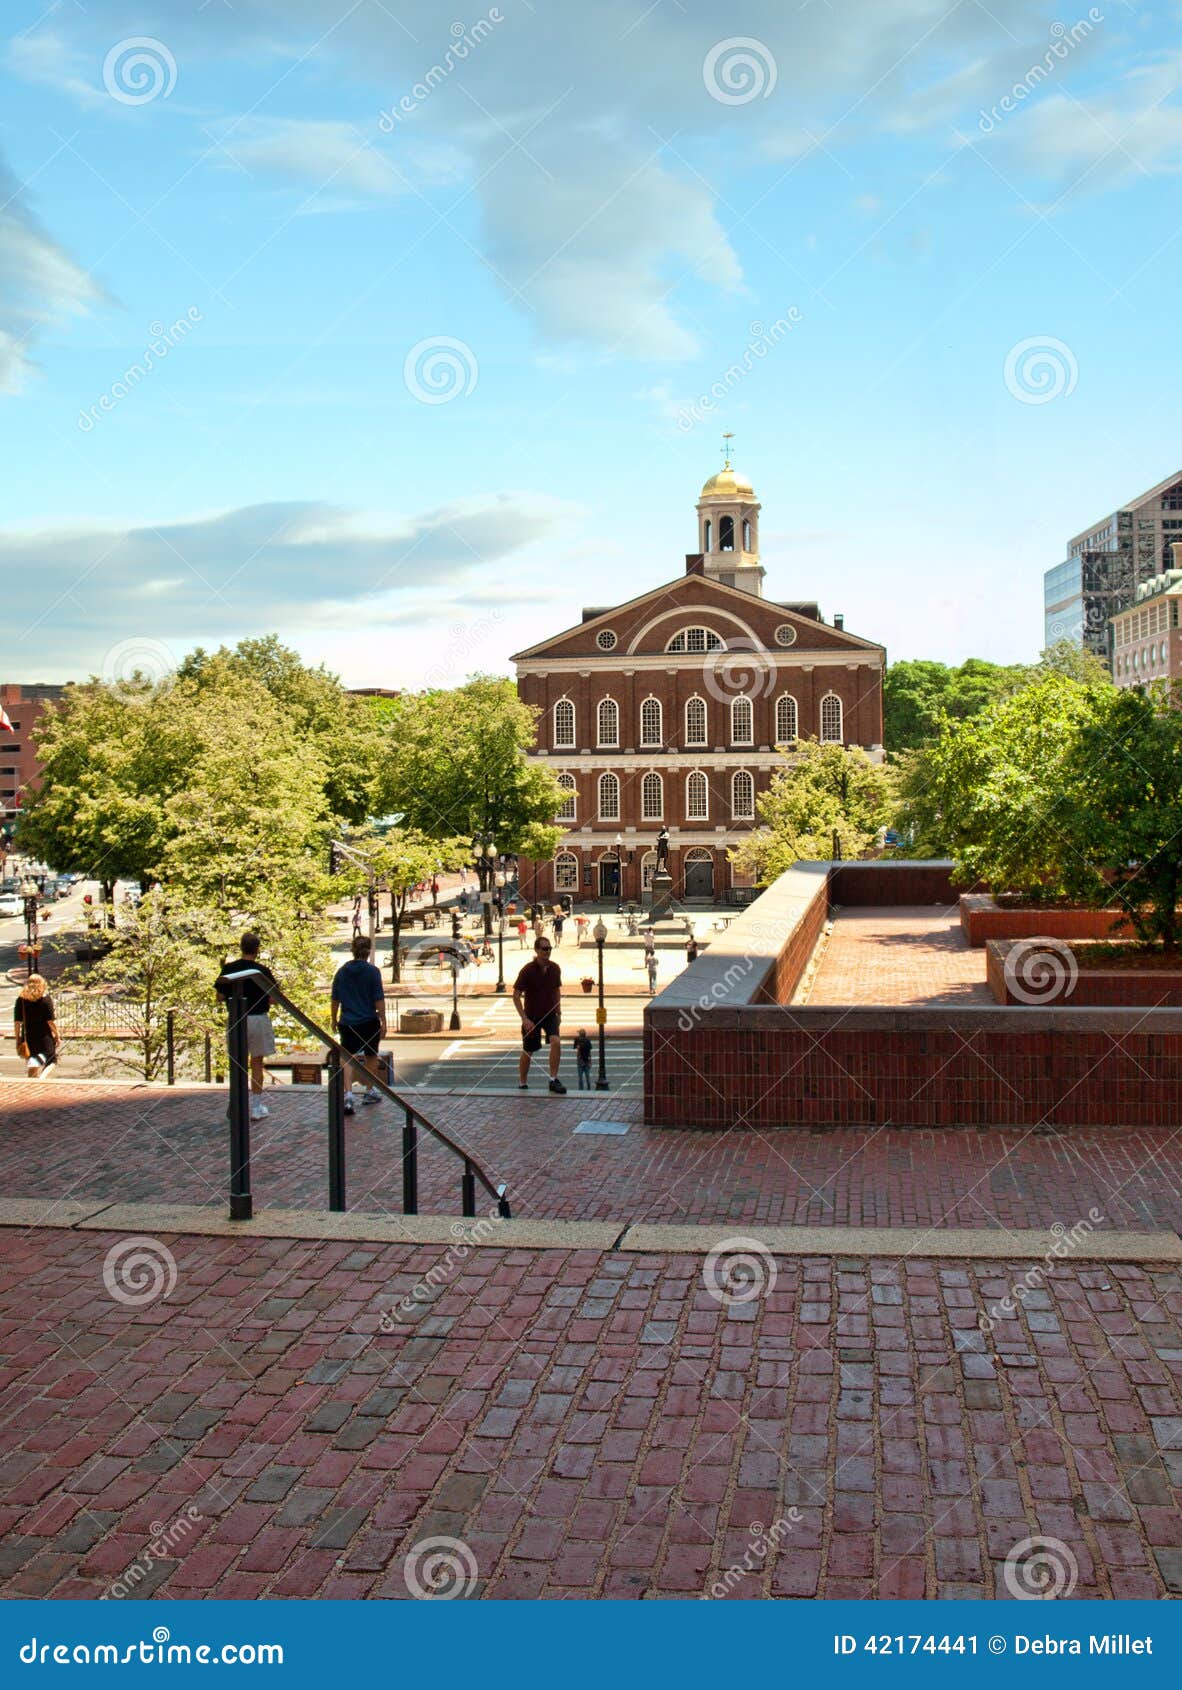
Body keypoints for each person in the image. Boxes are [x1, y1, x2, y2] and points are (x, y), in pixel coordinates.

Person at [216, 934, 277, 1122]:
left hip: (236, 1019)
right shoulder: (262, 972)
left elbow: (219, 997)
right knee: (257, 1063)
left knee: (237, 1064)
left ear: (241, 947)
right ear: (257, 949)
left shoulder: (229, 970)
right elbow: (274, 998)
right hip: (258, 1018)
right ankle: (256, 1106)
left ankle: (236, 1105)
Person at [330, 933, 388, 1116]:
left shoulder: (342, 971)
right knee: (371, 1056)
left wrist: (334, 1018)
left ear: (352, 951)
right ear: (368, 951)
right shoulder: (373, 972)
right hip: (368, 1020)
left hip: (347, 1021)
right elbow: (378, 999)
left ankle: (348, 1094)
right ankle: (369, 1090)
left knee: (347, 1058)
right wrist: (384, 1021)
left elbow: (335, 999)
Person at [513, 936, 566, 1094]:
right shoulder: (527, 970)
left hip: (550, 1014)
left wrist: (559, 1012)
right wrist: (524, 1019)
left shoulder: (555, 968)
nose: (547, 951)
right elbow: (516, 996)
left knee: (556, 1041)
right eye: (544, 949)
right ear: (537, 950)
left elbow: (557, 991)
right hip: (532, 1016)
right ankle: (523, 1082)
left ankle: (553, 1079)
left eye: (549, 948)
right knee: (528, 1050)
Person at [14, 974, 58, 1079]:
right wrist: (57, 1035)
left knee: (32, 1061)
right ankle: (41, 1079)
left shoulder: (21, 1000)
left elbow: (17, 1023)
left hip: (28, 1035)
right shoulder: (45, 999)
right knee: (52, 1060)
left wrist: (18, 1038)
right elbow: (50, 1021)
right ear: (42, 984)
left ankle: (31, 1083)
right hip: (44, 1035)